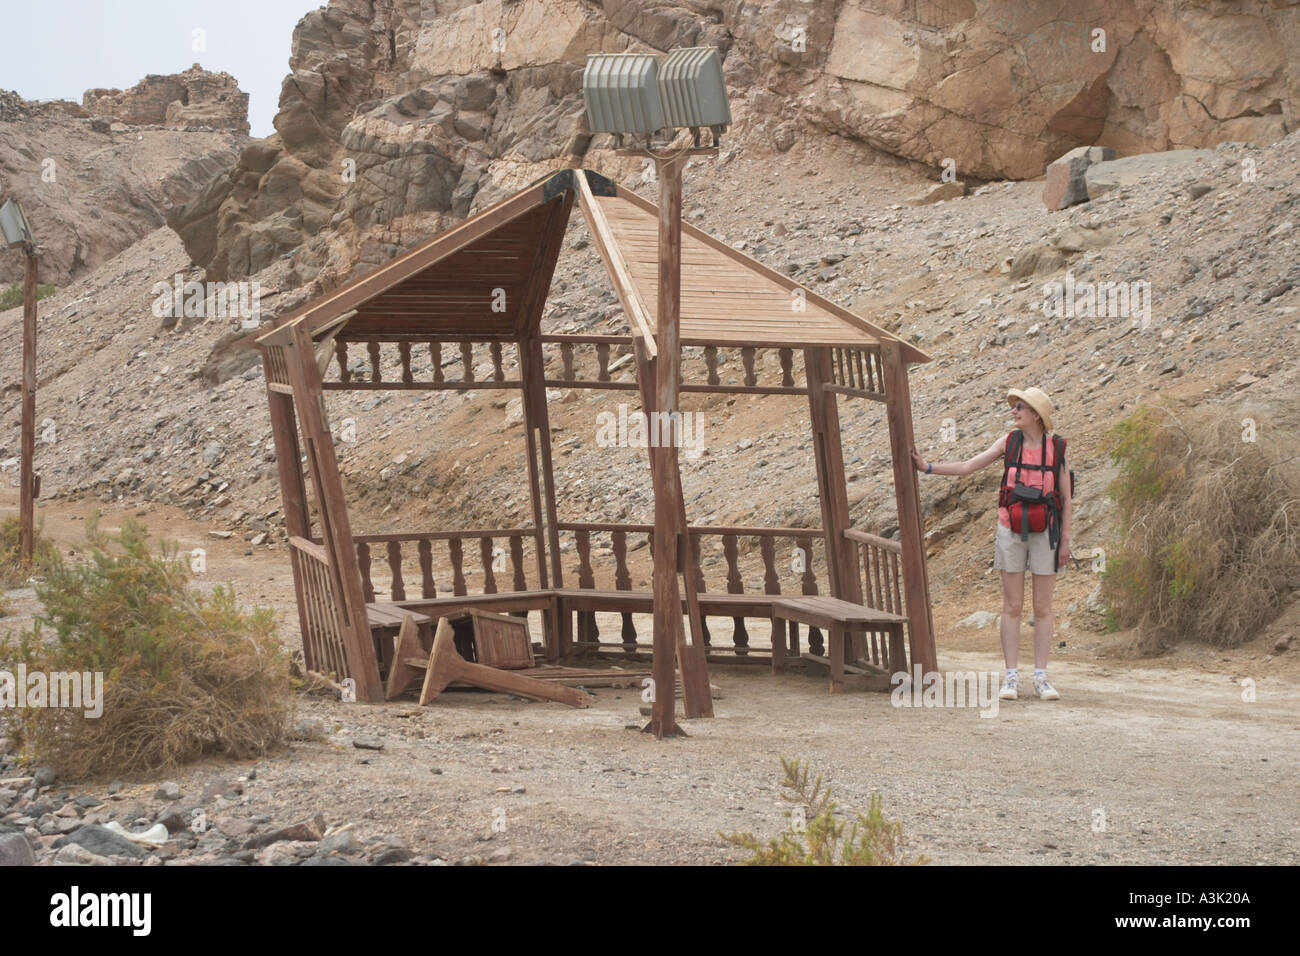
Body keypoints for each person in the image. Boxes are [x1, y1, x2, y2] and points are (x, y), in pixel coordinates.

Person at [910, 387, 1071, 701]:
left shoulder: (1057, 449)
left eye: (1020, 407)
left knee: (1043, 608)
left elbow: (1066, 498)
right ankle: (1011, 677)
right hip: (1010, 529)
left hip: (1046, 532)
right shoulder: (1008, 443)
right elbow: (969, 465)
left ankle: (1041, 677)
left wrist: (1065, 540)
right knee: (1011, 606)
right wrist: (928, 467)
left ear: (1036, 415)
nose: (1014, 412)